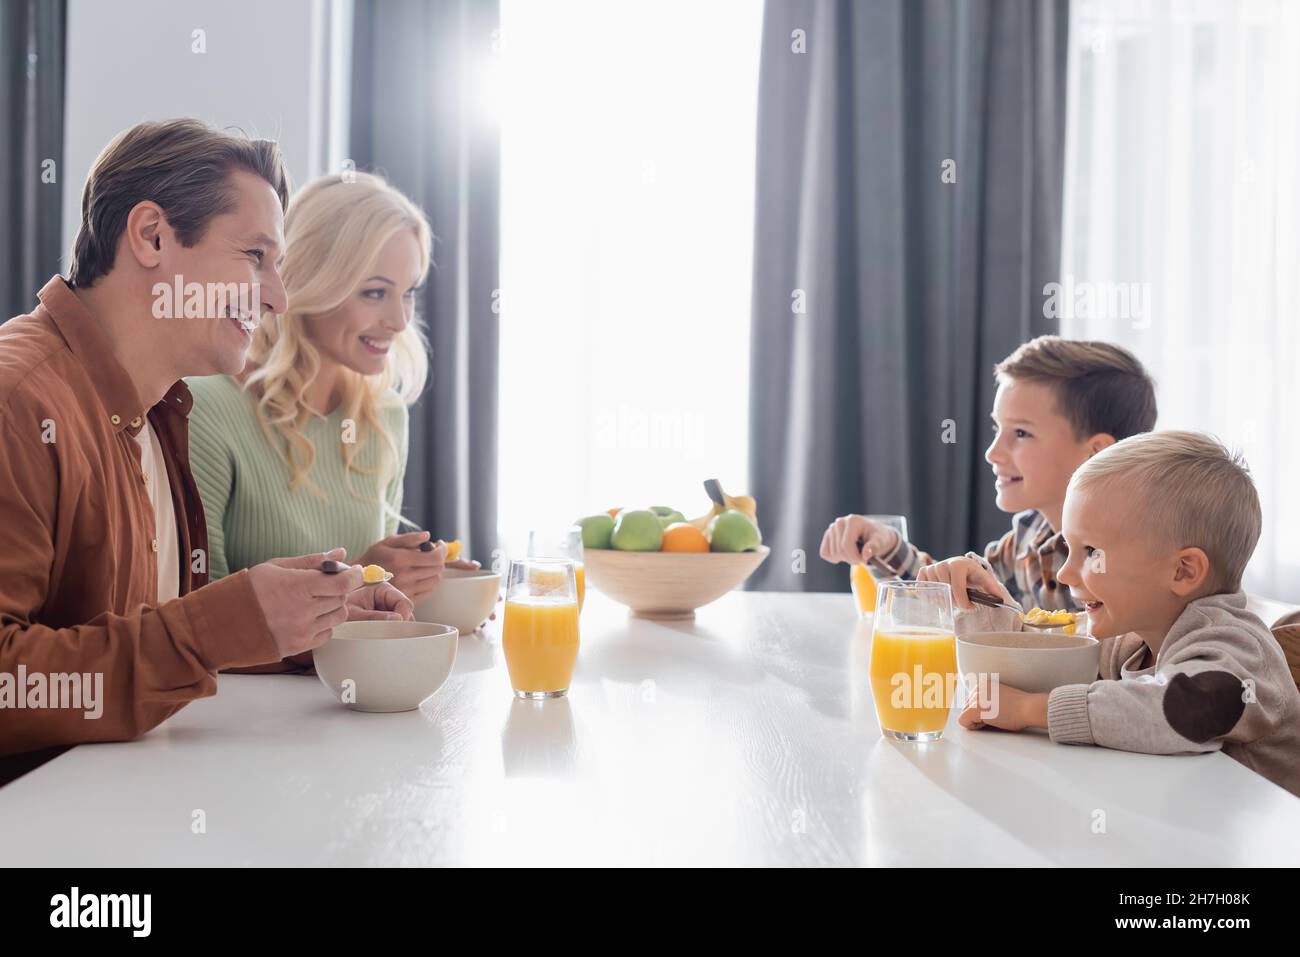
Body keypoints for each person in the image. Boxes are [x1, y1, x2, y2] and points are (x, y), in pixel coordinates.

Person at [0, 119, 410, 766]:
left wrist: (306, 622)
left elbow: (149, 636)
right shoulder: (17, 401)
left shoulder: (161, 408)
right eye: (254, 257)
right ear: (152, 236)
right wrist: (214, 627)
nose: (277, 297)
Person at [188, 172, 474, 634]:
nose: (399, 320)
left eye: (409, 293)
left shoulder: (385, 418)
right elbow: (194, 620)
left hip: (359, 697)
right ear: (311, 280)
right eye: (375, 292)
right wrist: (361, 577)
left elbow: (374, 614)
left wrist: (428, 589)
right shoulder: (208, 409)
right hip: (242, 704)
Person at [958, 431, 1300, 797]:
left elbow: (1180, 709)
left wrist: (1030, 708)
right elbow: (1041, 658)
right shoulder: (1134, 637)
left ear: (1182, 571)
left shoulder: (1235, 649)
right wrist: (982, 601)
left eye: (1091, 552)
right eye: (1069, 549)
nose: (1064, 573)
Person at [820, 336, 1157, 611]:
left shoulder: (1129, 561)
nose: (992, 452)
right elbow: (961, 595)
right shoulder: (1030, 537)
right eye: (998, 428)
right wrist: (885, 545)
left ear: (1096, 452)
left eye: (1021, 433)